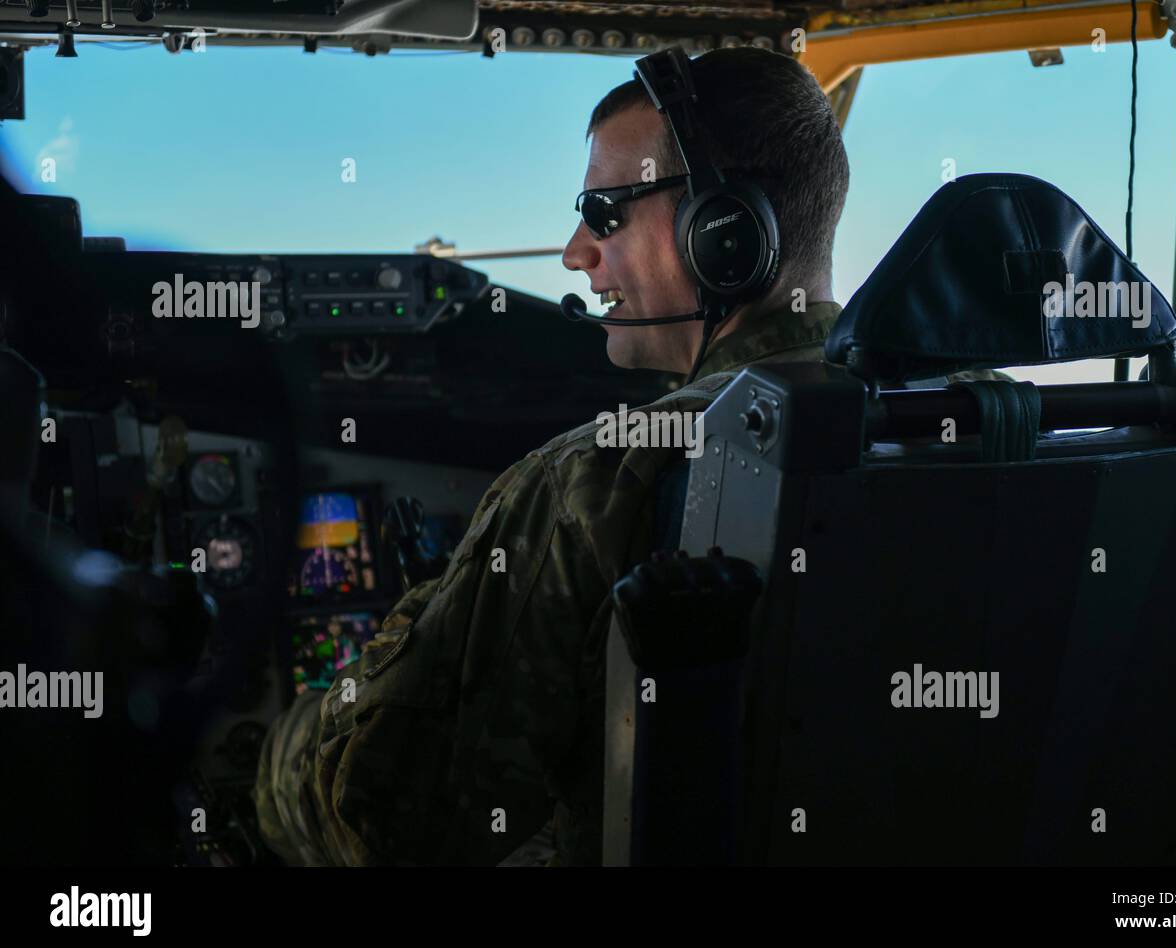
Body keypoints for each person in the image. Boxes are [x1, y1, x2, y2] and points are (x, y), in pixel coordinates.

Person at [254, 45, 851, 865]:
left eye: (606, 212)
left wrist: (261, 751)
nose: (575, 252)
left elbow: (384, 821)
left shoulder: (596, 482)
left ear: (724, 232)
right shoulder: (988, 421)